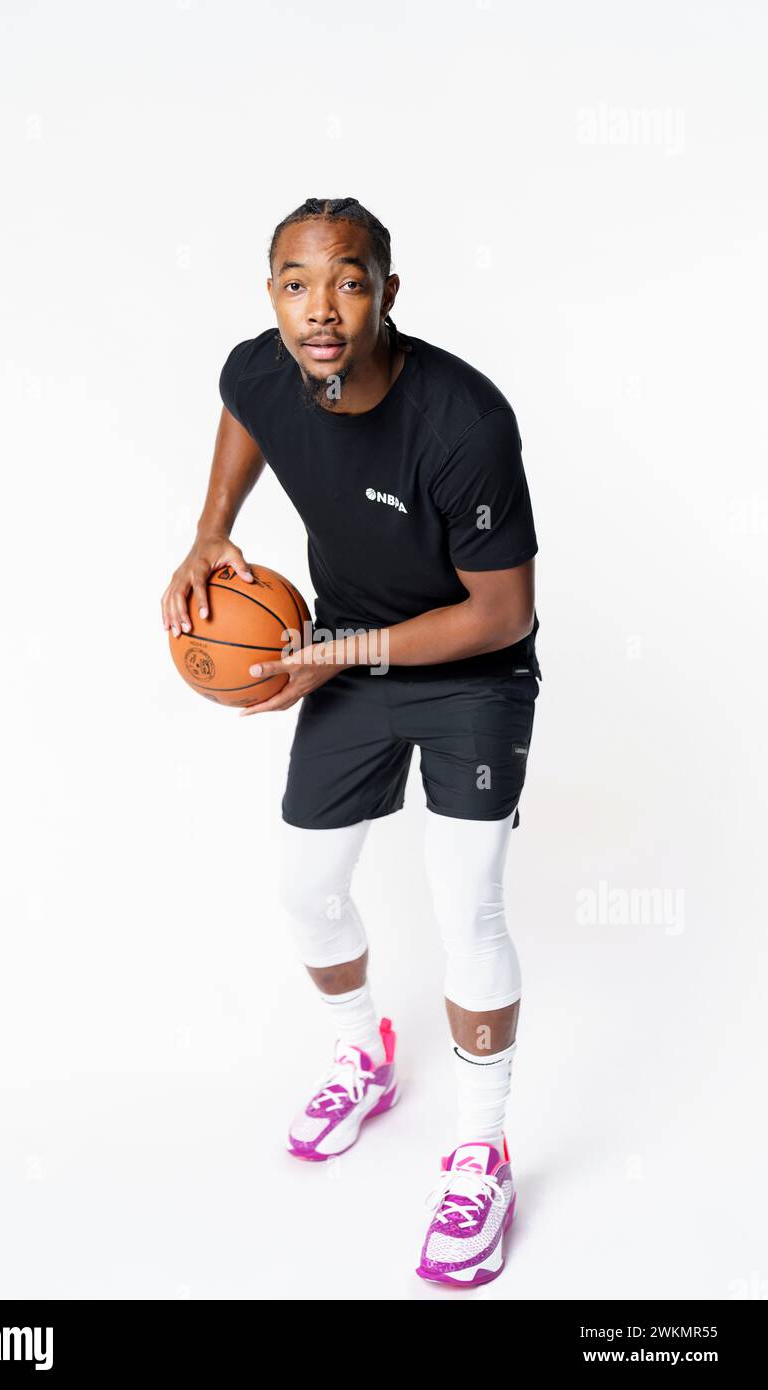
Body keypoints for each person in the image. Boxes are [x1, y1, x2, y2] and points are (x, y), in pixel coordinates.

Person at [161, 197, 541, 1286]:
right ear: (270, 291)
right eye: (294, 282)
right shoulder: (266, 366)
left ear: (387, 292)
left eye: (347, 281)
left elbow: (499, 613)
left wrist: (341, 652)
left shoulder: (462, 420)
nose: (318, 309)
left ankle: (481, 1145)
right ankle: (365, 1052)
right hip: (346, 652)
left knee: (466, 901)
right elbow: (243, 402)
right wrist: (210, 529)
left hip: (467, 674)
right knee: (305, 886)